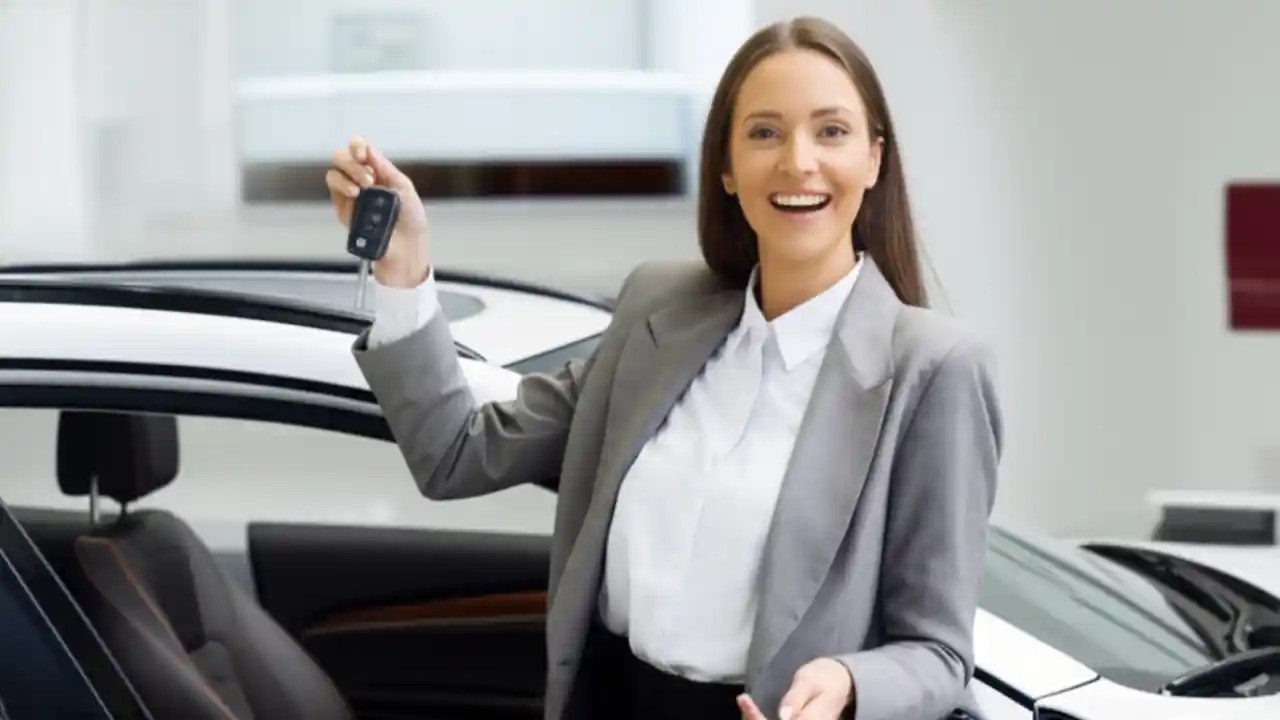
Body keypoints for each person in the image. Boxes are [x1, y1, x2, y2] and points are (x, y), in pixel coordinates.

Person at [325, 15, 1001, 720]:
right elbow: (457, 453)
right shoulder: (659, 309)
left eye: (831, 132)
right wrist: (402, 267)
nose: (799, 162)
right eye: (765, 132)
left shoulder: (935, 370)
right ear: (727, 168)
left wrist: (848, 682)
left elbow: (938, 653)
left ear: (874, 160)